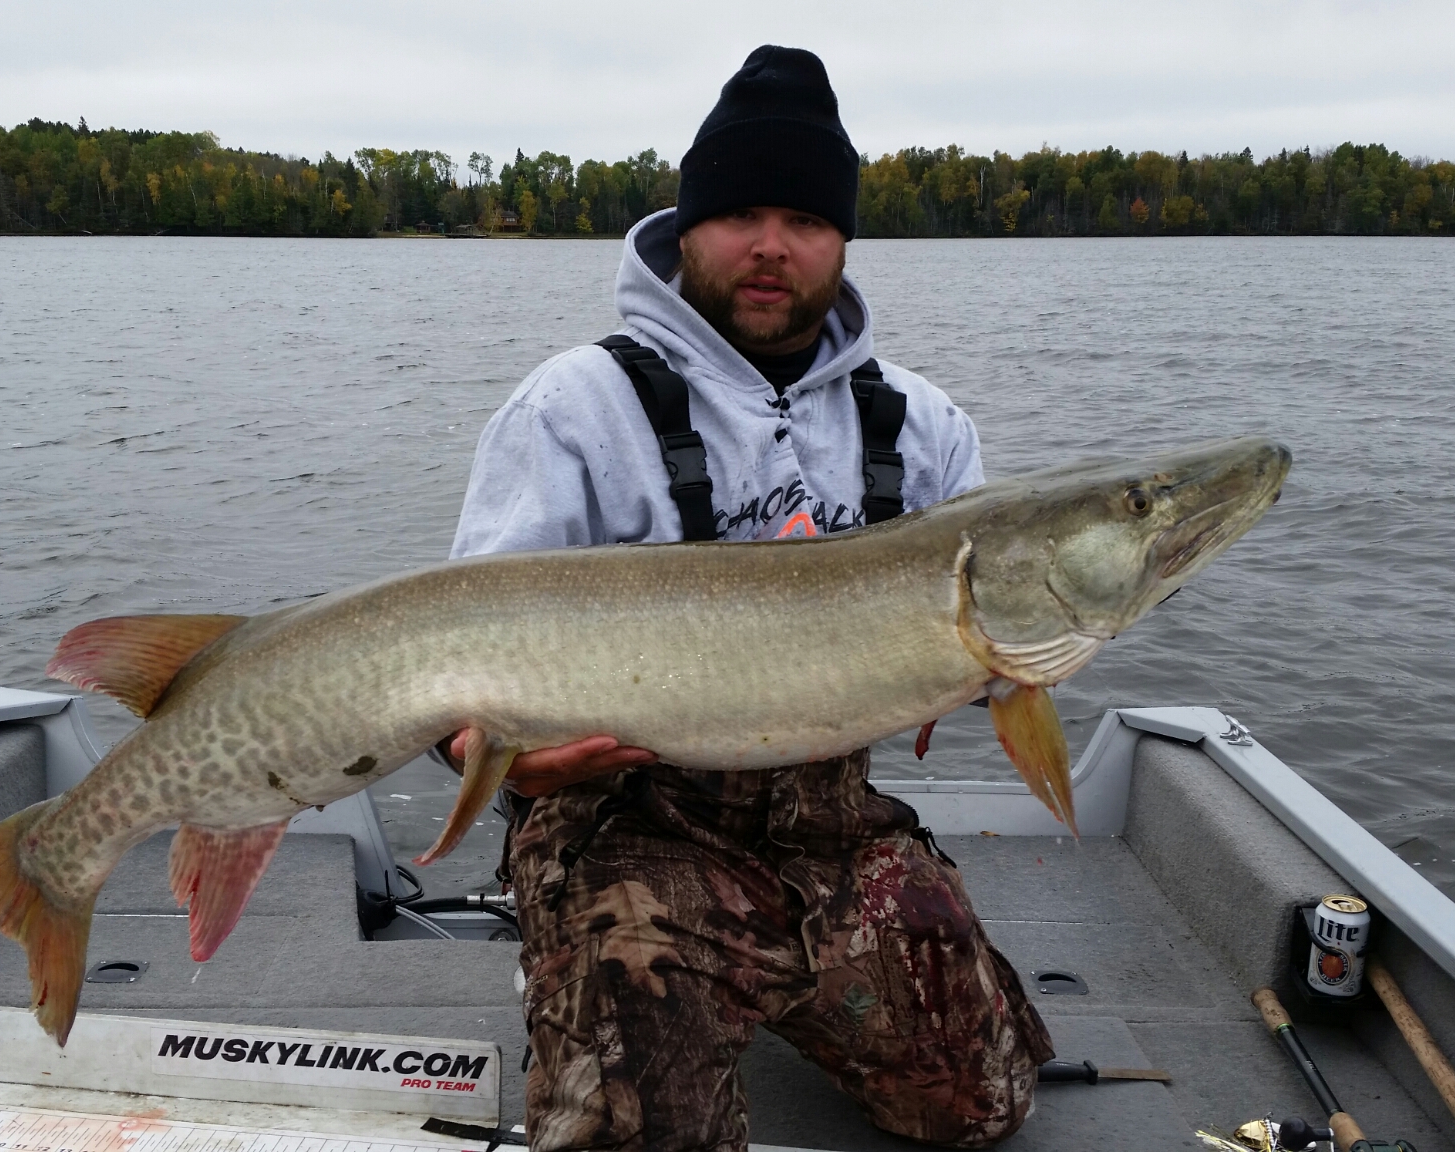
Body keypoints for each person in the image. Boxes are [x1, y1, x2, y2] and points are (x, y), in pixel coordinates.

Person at [443, 45, 1053, 1151]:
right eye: (740, 215)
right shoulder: (575, 406)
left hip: (832, 830)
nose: (772, 246)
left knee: (978, 1107)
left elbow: (979, 650)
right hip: (627, 827)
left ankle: (775, 982)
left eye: (806, 220)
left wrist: (1010, 660)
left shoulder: (920, 425)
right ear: (688, 230)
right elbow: (455, 668)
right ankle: (636, 993)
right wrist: (488, 754)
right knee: (638, 1134)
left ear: (842, 241)